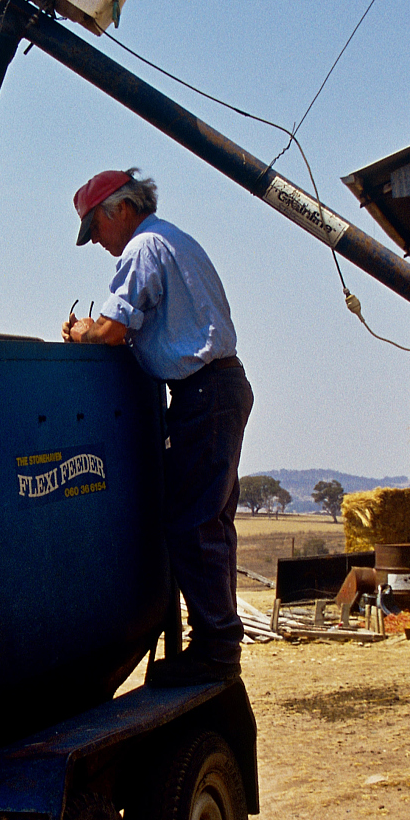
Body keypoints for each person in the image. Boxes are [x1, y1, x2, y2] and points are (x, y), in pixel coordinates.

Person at [62, 169, 254, 686]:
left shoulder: (143, 247)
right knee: (210, 522)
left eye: (95, 228)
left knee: (192, 524)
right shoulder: (173, 239)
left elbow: (112, 329)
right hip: (219, 388)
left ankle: (216, 649)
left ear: (120, 210)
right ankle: (217, 642)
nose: (96, 242)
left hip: (203, 392)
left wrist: (82, 333)